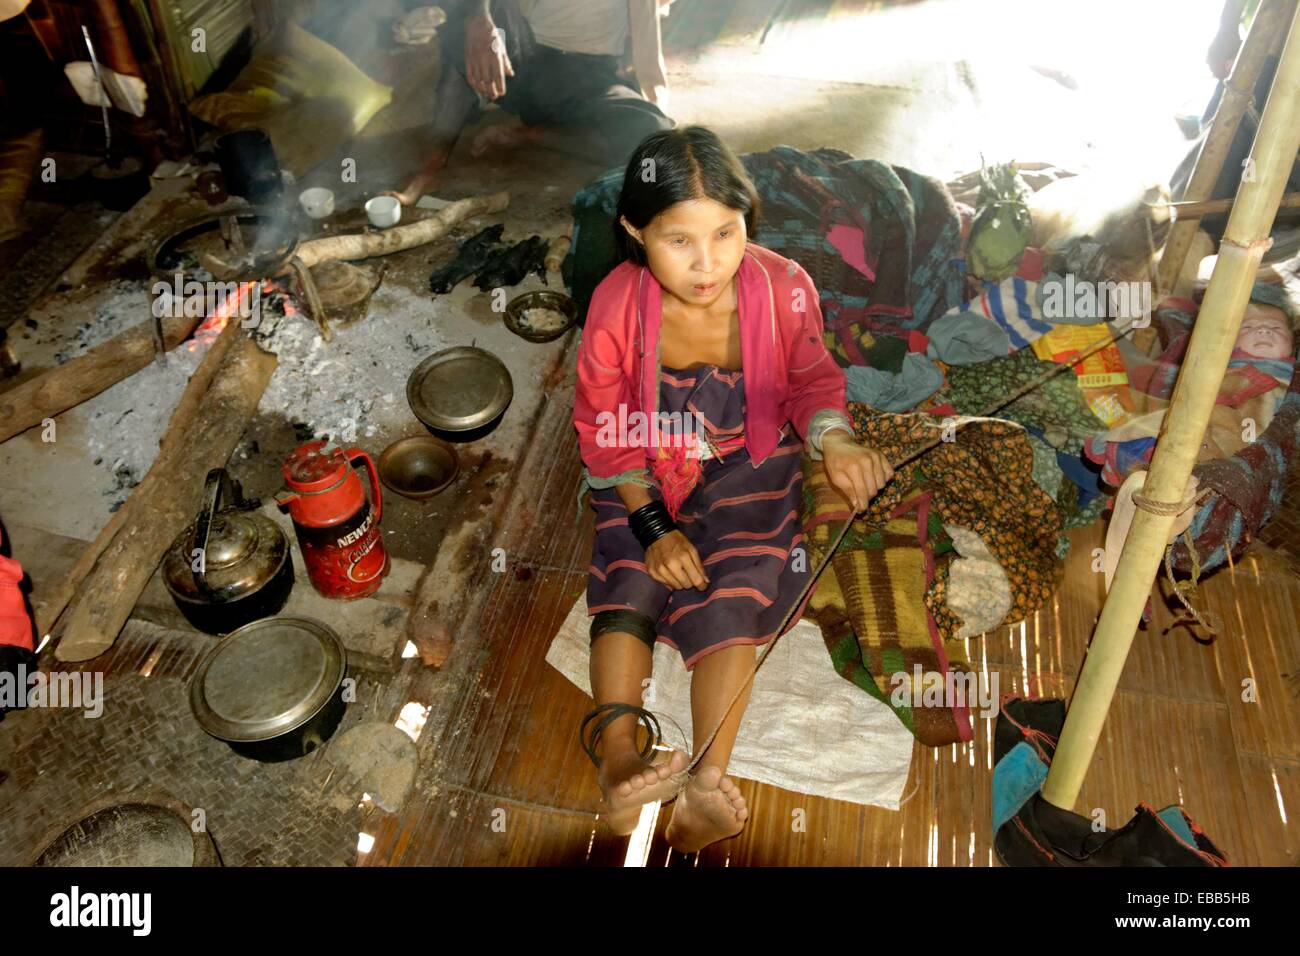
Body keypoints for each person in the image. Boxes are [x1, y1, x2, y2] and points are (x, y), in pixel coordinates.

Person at [571, 126, 895, 852]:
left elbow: (813, 383)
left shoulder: (783, 289)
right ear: (634, 231)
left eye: (725, 231)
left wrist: (835, 440)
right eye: (677, 240)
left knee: (739, 585)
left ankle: (706, 782)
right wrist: (654, 528)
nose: (707, 261)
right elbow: (603, 426)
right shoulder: (616, 305)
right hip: (643, 463)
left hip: (751, 455)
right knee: (625, 578)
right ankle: (621, 756)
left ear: (748, 218)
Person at [390, 0, 675, 205]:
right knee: (463, 25)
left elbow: (648, 44)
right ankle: (429, 169)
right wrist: (480, 18)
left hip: (588, 78)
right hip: (522, 60)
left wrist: (650, 110)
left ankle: (528, 134)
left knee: (650, 132)